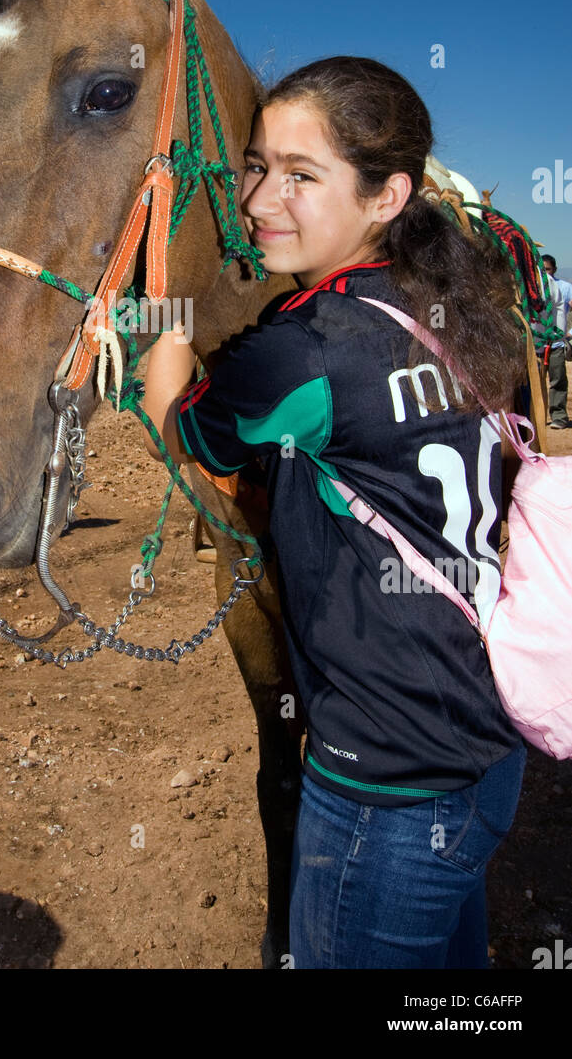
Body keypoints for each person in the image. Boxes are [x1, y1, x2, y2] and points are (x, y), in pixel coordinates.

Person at [143, 57, 528, 969]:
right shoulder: (459, 312)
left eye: (302, 176)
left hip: (382, 783)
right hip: (483, 742)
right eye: (257, 167)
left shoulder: (303, 349)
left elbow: (191, 436)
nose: (261, 201)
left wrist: (164, 351)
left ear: (387, 195)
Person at [541, 254, 572, 428]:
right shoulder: (533, 287)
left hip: (556, 344)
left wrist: (570, 332)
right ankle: (533, 418)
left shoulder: (565, 287)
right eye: (542, 270)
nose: (546, 273)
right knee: (534, 385)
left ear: (555, 269)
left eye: (548, 269)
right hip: (537, 346)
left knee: (558, 380)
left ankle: (559, 417)